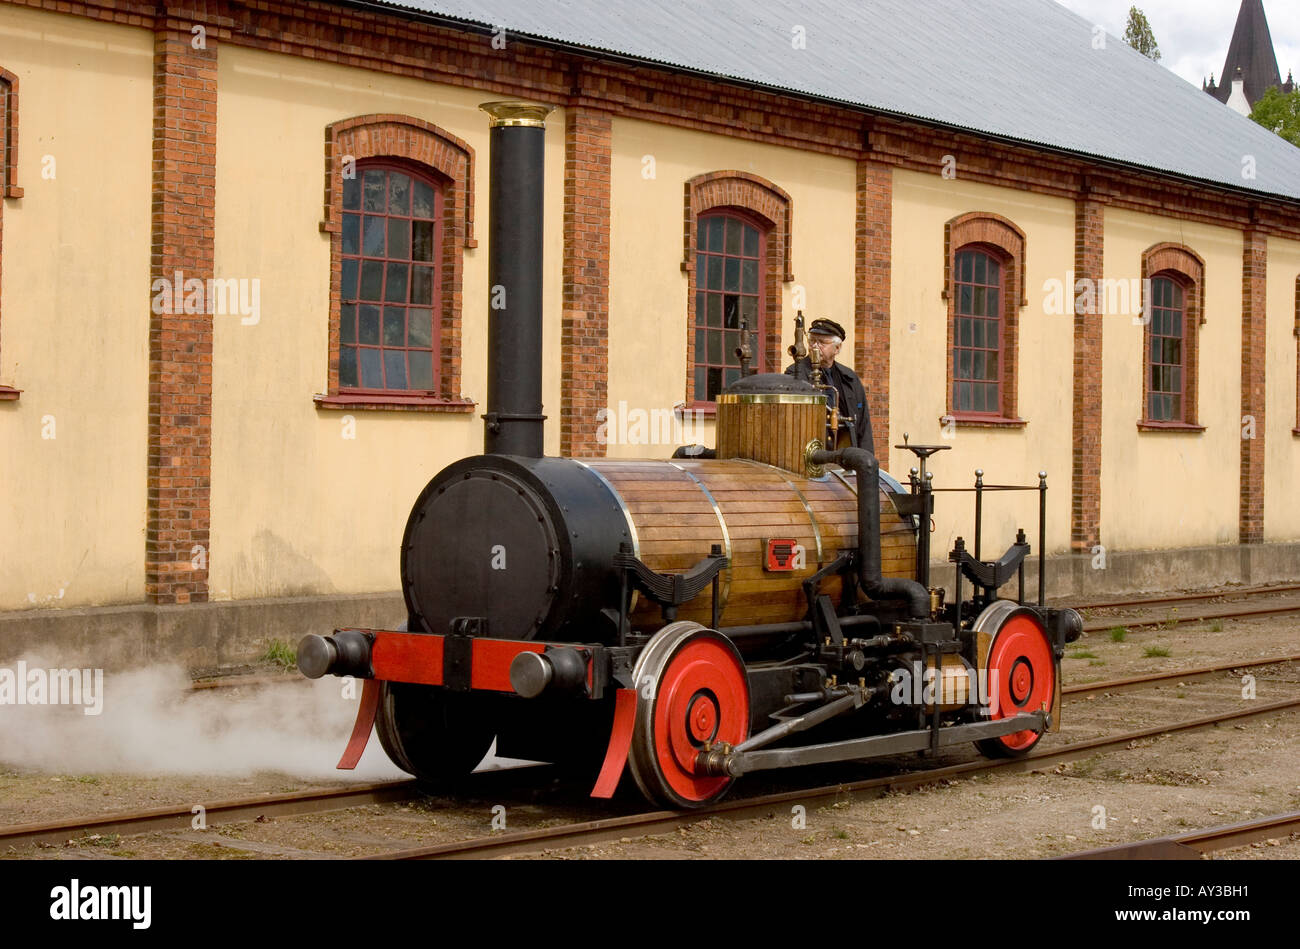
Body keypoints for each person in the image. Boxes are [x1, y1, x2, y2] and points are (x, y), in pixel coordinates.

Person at [784, 318, 874, 454]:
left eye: (821, 343)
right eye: (812, 341)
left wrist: (866, 461)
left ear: (837, 348)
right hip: (813, 453)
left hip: (846, 455)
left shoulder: (849, 377)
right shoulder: (795, 373)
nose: (815, 346)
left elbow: (863, 425)